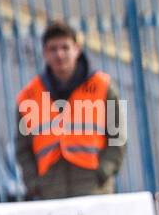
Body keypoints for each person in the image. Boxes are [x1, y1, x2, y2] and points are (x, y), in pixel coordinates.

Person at [15, 21, 126, 200]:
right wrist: (34, 183)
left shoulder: (103, 86)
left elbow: (118, 135)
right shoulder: (29, 96)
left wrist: (104, 170)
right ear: (44, 53)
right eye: (53, 49)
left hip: (93, 187)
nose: (59, 54)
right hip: (51, 190)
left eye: (65, 47)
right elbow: (22, 148)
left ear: (77, 49)